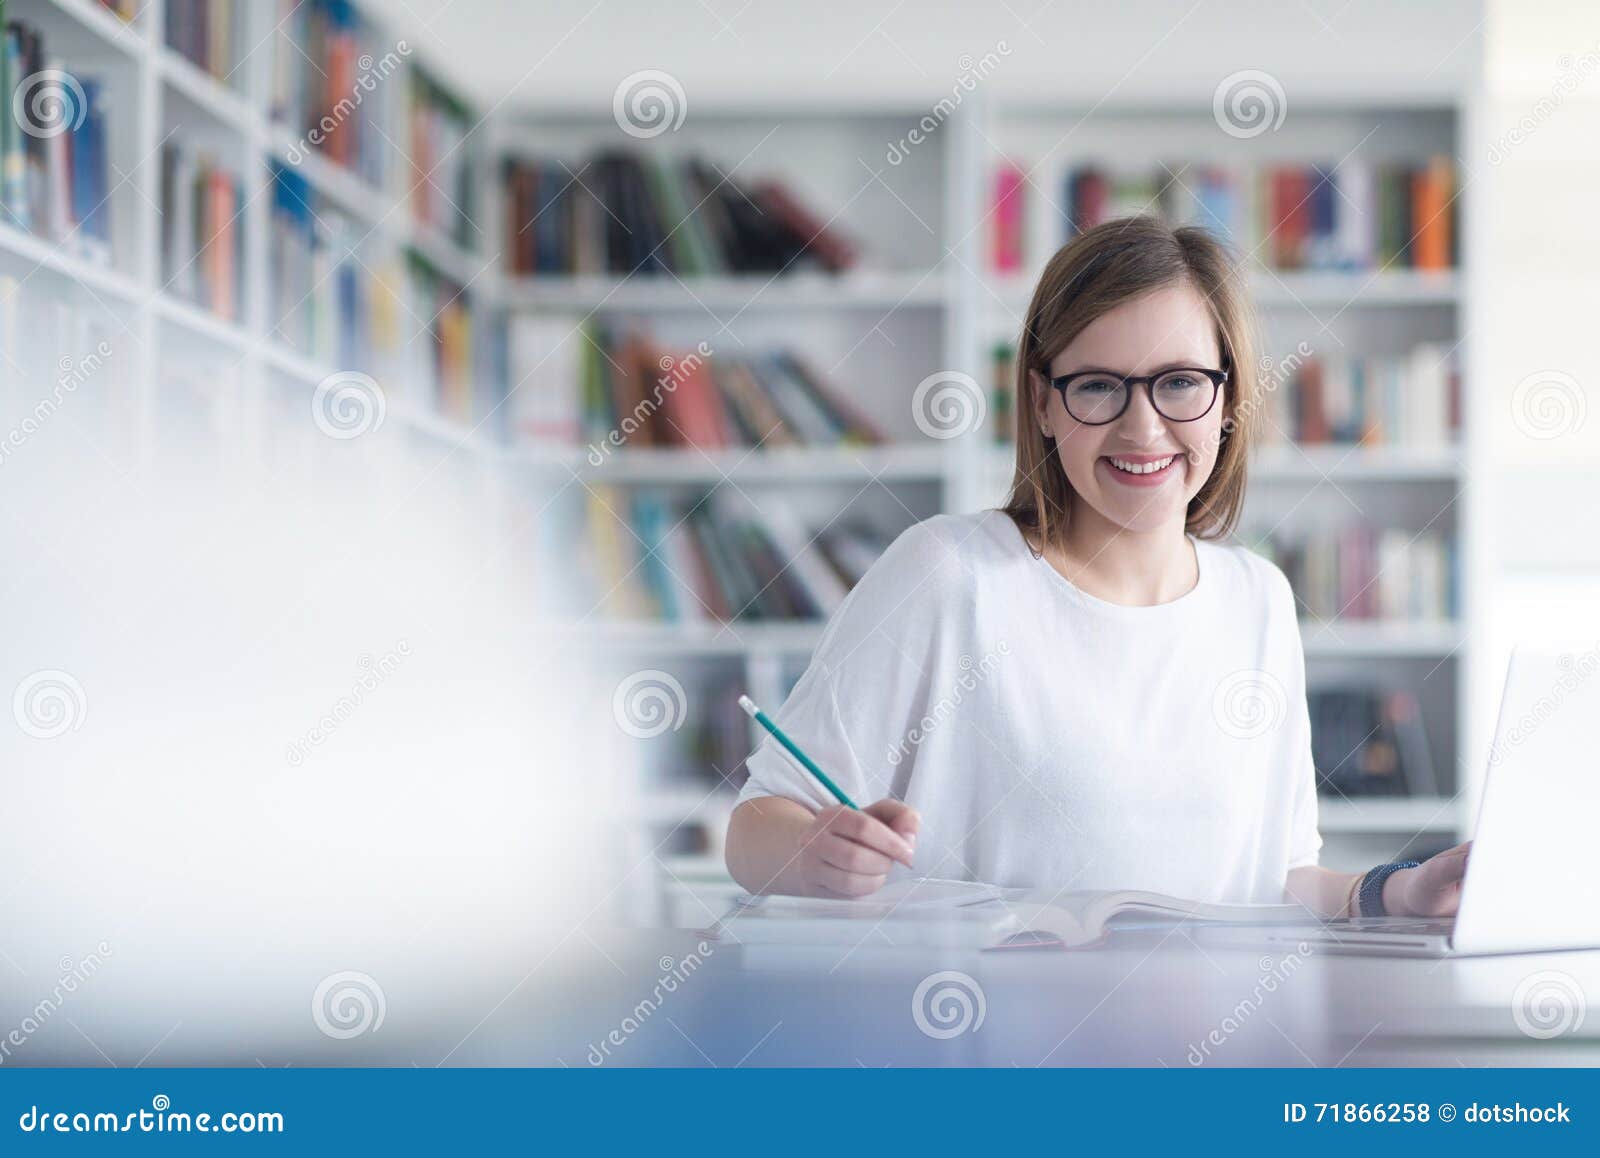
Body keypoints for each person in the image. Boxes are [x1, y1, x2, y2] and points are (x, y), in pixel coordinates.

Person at [724, 215, 1468, 920]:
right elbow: (753, 832)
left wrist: (1396, 893)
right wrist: (809, 853)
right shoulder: (950, 574)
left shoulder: (1259, 598)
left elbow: (1277, 880)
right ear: (1045, 403)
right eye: (1099, 386)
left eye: (1179, 382)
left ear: (1230, 398)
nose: (1141, 427)